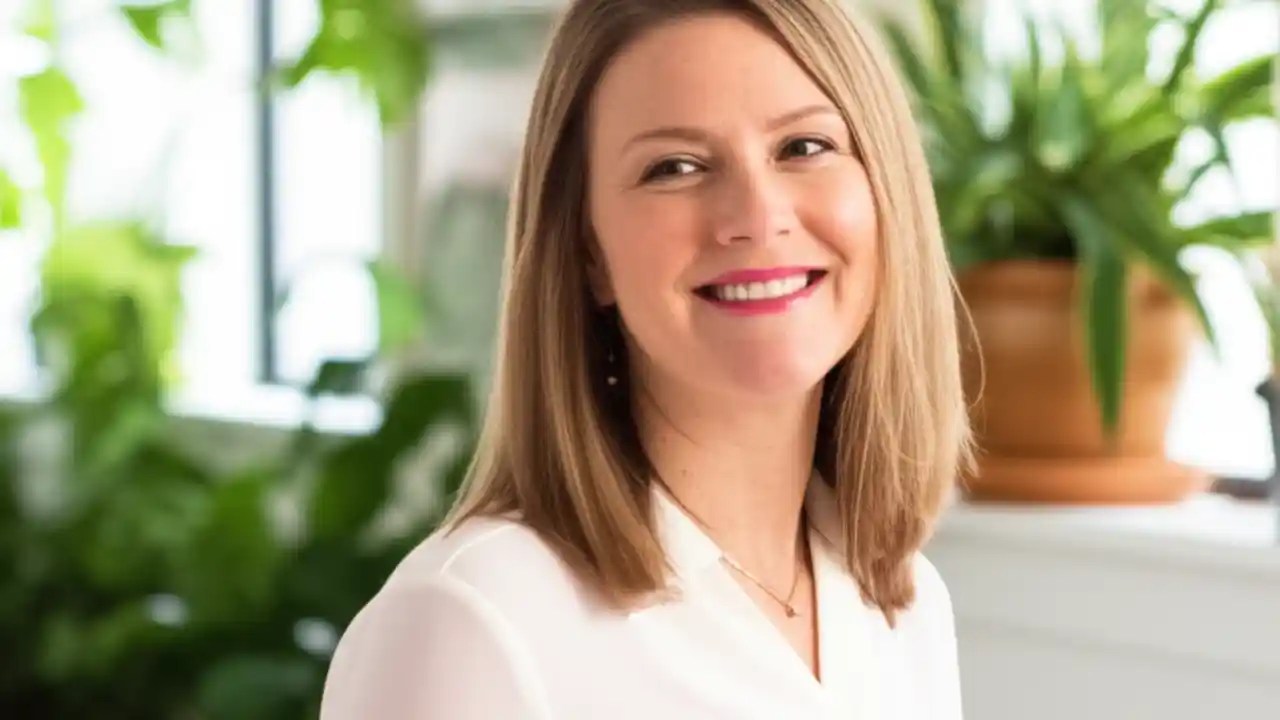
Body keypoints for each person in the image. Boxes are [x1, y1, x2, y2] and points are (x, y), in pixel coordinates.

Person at [319, 0, 973, 717]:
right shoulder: (470, 623)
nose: (757, 215)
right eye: (675, 166)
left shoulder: (902, 606)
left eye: (803, 147)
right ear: (589, 253)